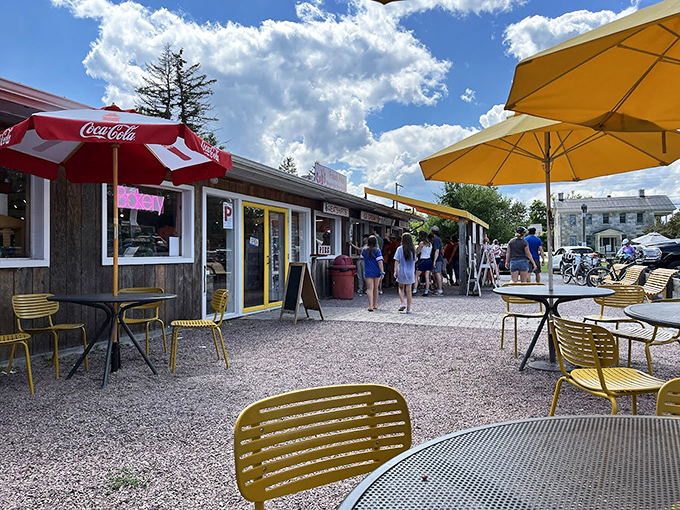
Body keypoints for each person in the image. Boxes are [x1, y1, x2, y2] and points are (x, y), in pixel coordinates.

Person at [393, 232, 416, 314]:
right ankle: (409, 309)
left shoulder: (399, 249)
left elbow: (396, 261)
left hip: (401, 271)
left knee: (401, 288)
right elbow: (415, 260)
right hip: (410, 272)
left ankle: (402, 302)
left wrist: (395, 271)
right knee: (409, 290)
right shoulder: (413, 250)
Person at [362, 235, 384, 311]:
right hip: (376, 271)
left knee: (369, 288)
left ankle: (370, 305)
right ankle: (375, 304)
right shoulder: (377, 250)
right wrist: (382, 272)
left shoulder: (364, 250)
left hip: (368, 270)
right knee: (375, 288)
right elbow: (380, 262)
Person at [413, 231, 433, 296]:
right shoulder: (430, 244)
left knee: (416, 276)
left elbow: (418, 252)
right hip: (429, 260)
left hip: (423, 260)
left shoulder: (421, 243)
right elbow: (430, 253)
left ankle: (415, 289)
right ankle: (426, 290)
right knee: (427, 276)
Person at [430, 225, 444, 296]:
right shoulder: (439, 239)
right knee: (439, 273)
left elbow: (437, 250)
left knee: (437, 273)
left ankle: (439, 290)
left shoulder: (436, 239)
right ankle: (440, 288)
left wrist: (434, 261)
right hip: (440, 258)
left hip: (437, 259)